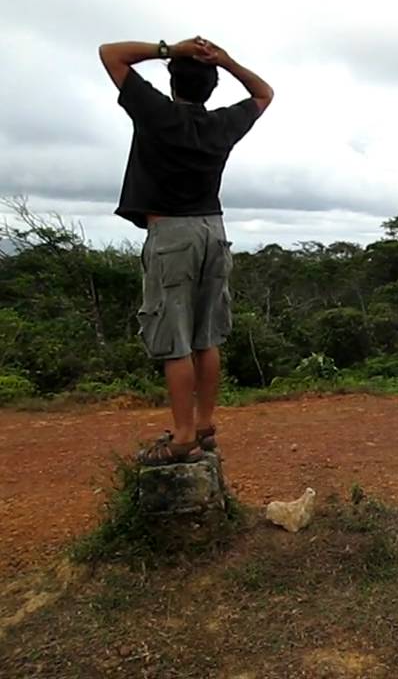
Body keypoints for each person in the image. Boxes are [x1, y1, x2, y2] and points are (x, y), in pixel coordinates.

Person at [98, 37, 273, 465]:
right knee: (206, 337)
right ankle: (204, 426)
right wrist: (228, 59)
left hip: (172, 236)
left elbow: (109, 53)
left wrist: (168, 48)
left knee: (174, 339)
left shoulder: (156, 113)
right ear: (211, 88)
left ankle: (182, 436)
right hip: (214, 229)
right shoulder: (220, 125)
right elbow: (263, 93)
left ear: (174, 80)